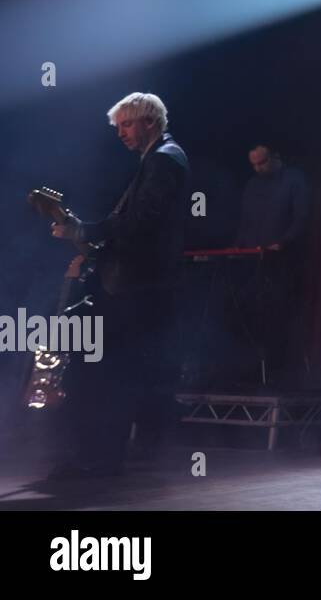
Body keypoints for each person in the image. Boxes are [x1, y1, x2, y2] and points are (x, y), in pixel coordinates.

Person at [48, 92, 190, 479]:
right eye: (118, 127)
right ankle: (102, 457)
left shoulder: (163, 159)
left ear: (150, 121)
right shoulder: (160, 158)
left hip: (138, 286)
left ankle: (99, 459)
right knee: (115, 372)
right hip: (137, 283)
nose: (121, 134)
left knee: (109, 372)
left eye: (127, 125)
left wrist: (88, 231)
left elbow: (142, 222)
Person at [233, 144, 311, 386]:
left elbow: (302, 216)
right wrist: (239, 247)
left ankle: (283, 372)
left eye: (262, 162)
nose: (258, 169)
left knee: (281, 313)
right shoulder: (252, 185)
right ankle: (251, 371)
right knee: (250, 311)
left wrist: (284, 242)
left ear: (276, 157)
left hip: (285, 260)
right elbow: (245, 221)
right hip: (255, 259)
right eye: (254, 164)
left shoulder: (295, 180)